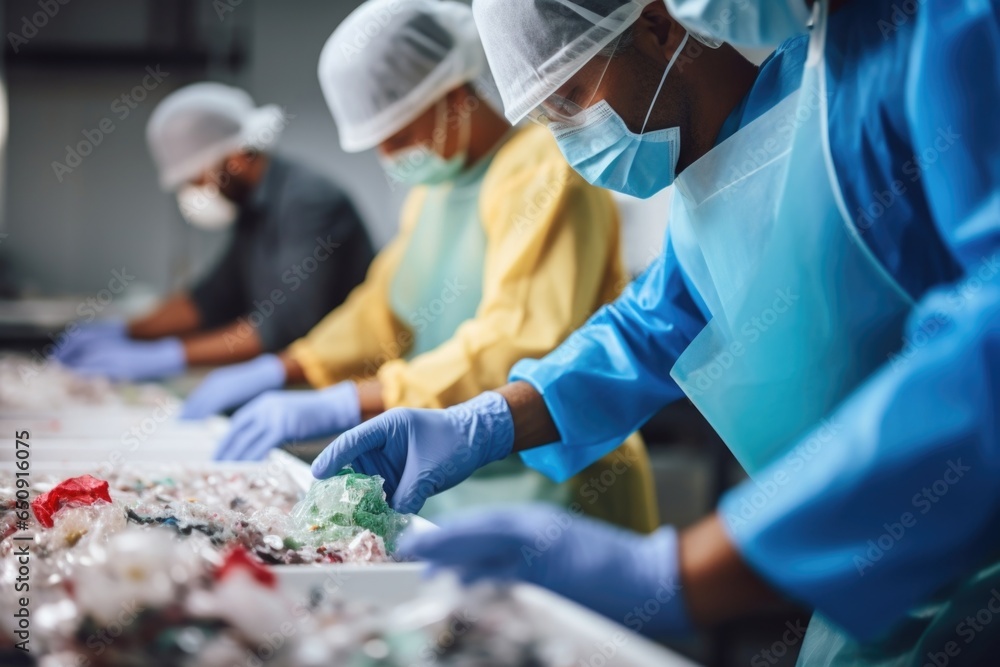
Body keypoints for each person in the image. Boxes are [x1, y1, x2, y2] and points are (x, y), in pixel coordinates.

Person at [314, 0, 1000, 659]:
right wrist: (484, 421)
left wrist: (675, 574)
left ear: (657, 27)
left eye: (569, 99)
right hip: (870, 587)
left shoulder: (892, 64)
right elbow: (648, 327)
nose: (565, 137)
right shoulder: (712, 175)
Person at [183, 0, 659, 533]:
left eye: (400, 135)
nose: (390, 156)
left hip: (559, 478)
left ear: (453, 97)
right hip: (459, 478)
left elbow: (516, 340)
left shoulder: (543, 171)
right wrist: (287, 366)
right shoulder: (432, 194)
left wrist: (358, 398)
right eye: (378, 144)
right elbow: (382, 309)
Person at [55, 83, 374, 382]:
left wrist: (170, 355)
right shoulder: (253, 209)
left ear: (236, 156)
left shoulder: (309, 200)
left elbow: (285, 325)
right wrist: (128, 331)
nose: (193, 193)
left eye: (196, 179)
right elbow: (212, 298)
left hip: (338, 382)